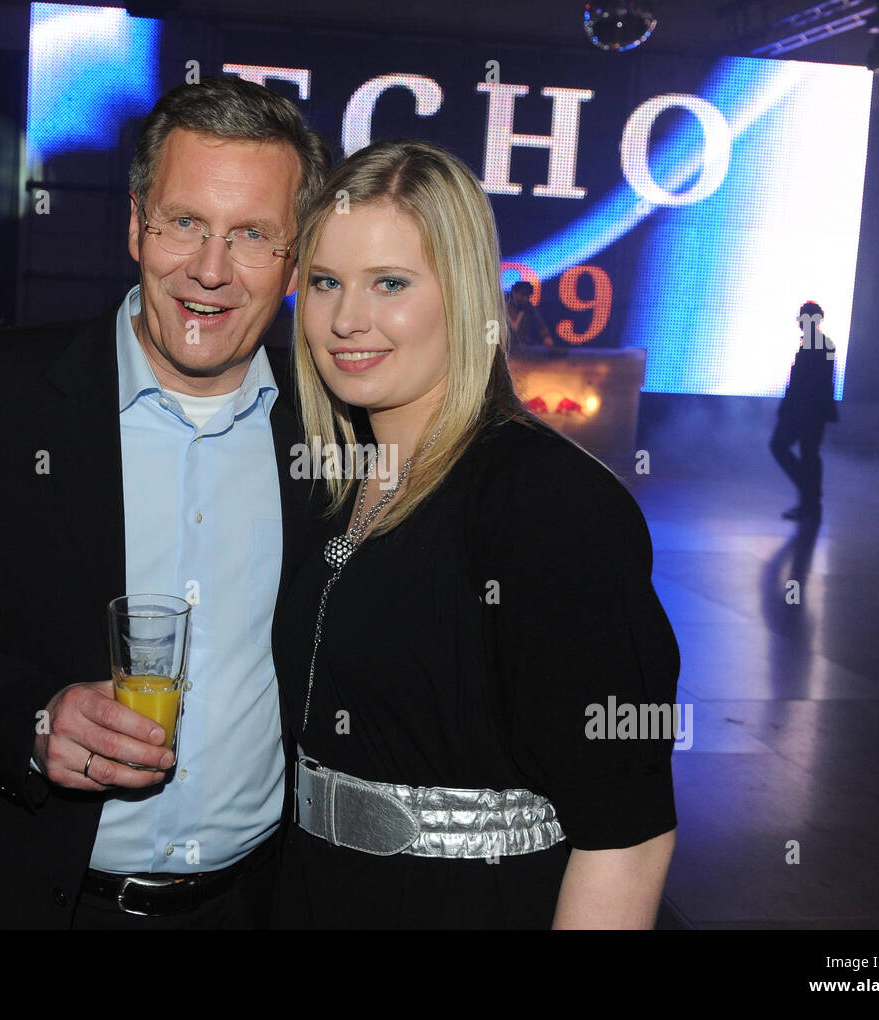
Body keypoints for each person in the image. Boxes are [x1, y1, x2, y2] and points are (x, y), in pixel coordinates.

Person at [0, 76, 331, 929]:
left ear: (293, 259)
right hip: (19, 900)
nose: (209, 271)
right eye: (184, 223)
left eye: (252, 234)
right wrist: (29, 719)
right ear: (136, 224)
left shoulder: (333, 434)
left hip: (252, 906)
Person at [271, 140, 678, 929]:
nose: (346, 319)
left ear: (461, 295)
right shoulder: (324, 481)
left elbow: (626, 836)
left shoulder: (548, 504)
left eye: (389, 283)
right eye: (325, 283)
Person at [770, 300, 838, 522]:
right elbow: (826, 381)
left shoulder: (815, 345)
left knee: (785, 448)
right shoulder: (823, 344)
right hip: (814, 411)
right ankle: (811, 501)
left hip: (804, 410)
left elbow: (805, 383)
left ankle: (809, 497)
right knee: (809, 455)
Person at [504, 279, 556, 348]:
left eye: (528, 296)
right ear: (514, 293)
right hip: (503, 348)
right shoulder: (501, 308)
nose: (525, 298)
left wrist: (546, 337)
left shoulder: (529, 309)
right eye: (523, 294)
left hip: (522, 349)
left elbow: (541, 326)